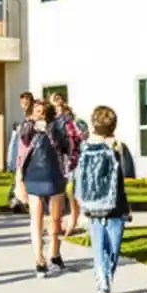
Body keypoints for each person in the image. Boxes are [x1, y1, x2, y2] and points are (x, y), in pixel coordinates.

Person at [75, 106, 131, 293]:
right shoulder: (106, 148)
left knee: (101, 249)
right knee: (112, 249)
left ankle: (104, 282)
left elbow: (79, 179)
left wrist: (80, 204)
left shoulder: (94, 148)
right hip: (112, 207)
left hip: (99, 206)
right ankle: (105, 282)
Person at [15, 98, 69, 277]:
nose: (39, 115)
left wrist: (51, 130)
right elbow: (21, 152)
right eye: (36, 111)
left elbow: (65, 147)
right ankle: (39, 258)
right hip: (34, 176)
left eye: (43, 112)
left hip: (54, 176)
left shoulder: (56, 128)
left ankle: (54, 253)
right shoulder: (26, 128)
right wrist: (19, 180)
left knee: (56, 219)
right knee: (36, 219)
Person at [50, 93, 84, 236]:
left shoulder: (72, 121)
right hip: (59, 160)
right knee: (59, 193)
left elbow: (80, 137)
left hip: (70, 160)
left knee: (70, 192)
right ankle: (60, 222)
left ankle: (72, 222)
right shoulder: (52, 122)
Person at [7, 91, 35, 212]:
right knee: (20, 177)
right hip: (22, 152)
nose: (24, 105)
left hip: (30, 153)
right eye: (22, 102)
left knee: (26, 177)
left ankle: (27, 201)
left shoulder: (33, 117)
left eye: (26, 102)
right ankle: (21, 201)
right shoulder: (25, 118)